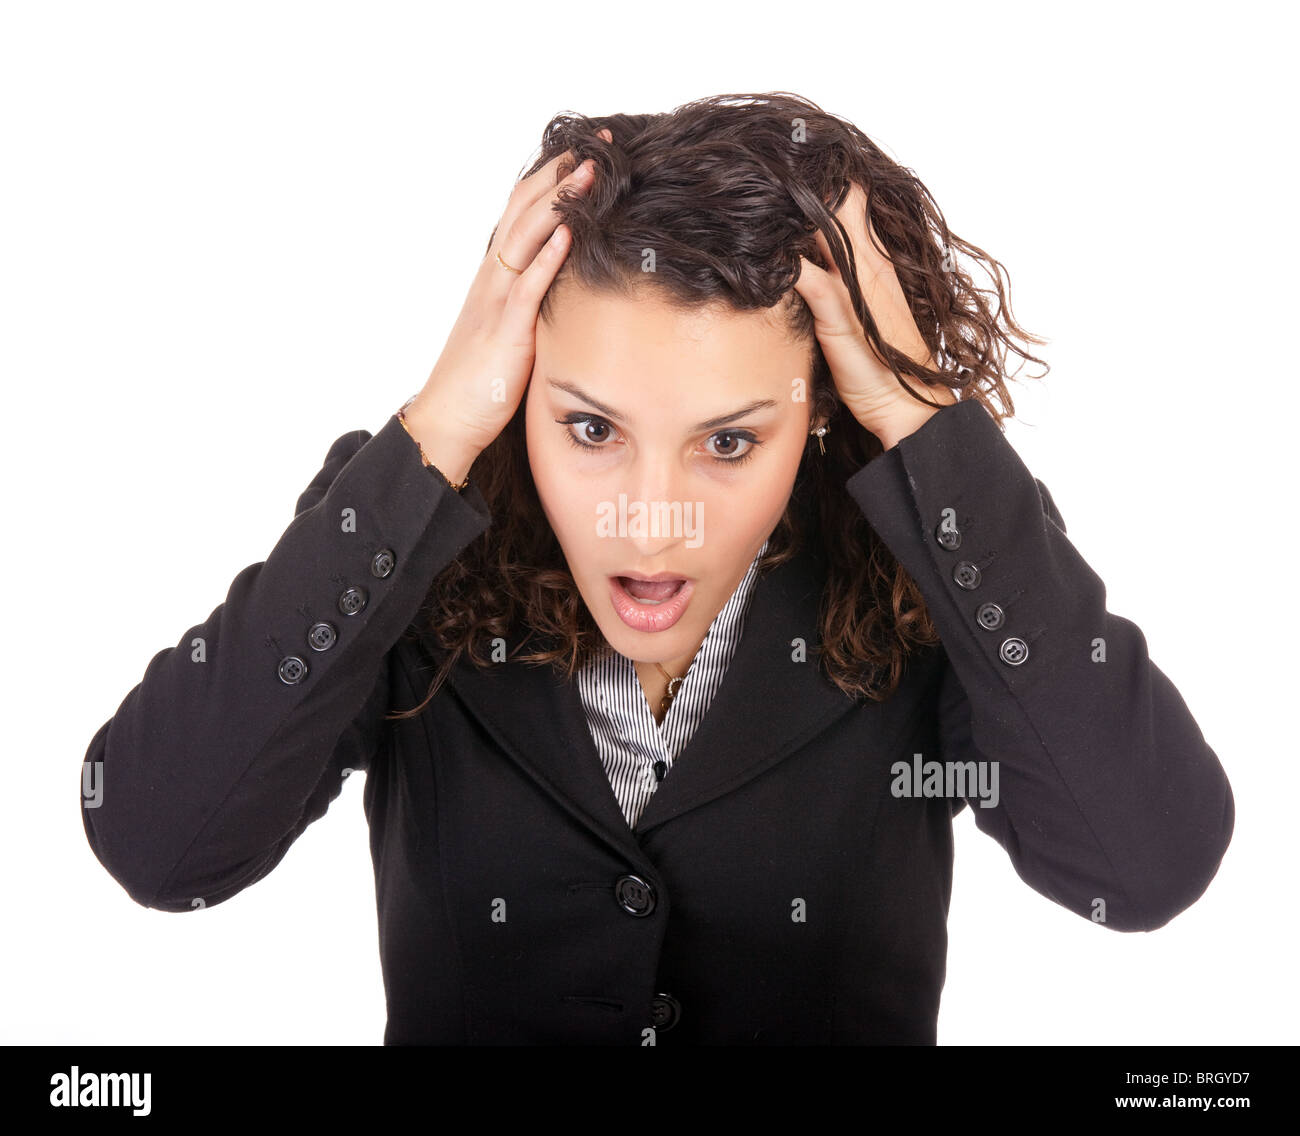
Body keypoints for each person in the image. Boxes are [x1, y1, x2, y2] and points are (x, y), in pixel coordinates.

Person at [81, 92, 1234, 1045]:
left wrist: (926, 426)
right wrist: (435, 429)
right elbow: (159, 841)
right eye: (590, 428)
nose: (651, 519)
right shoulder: (408, 529)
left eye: (729, 440)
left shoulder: (929, 546)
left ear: (818, 411)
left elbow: (1143, 865)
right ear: (522, 386)